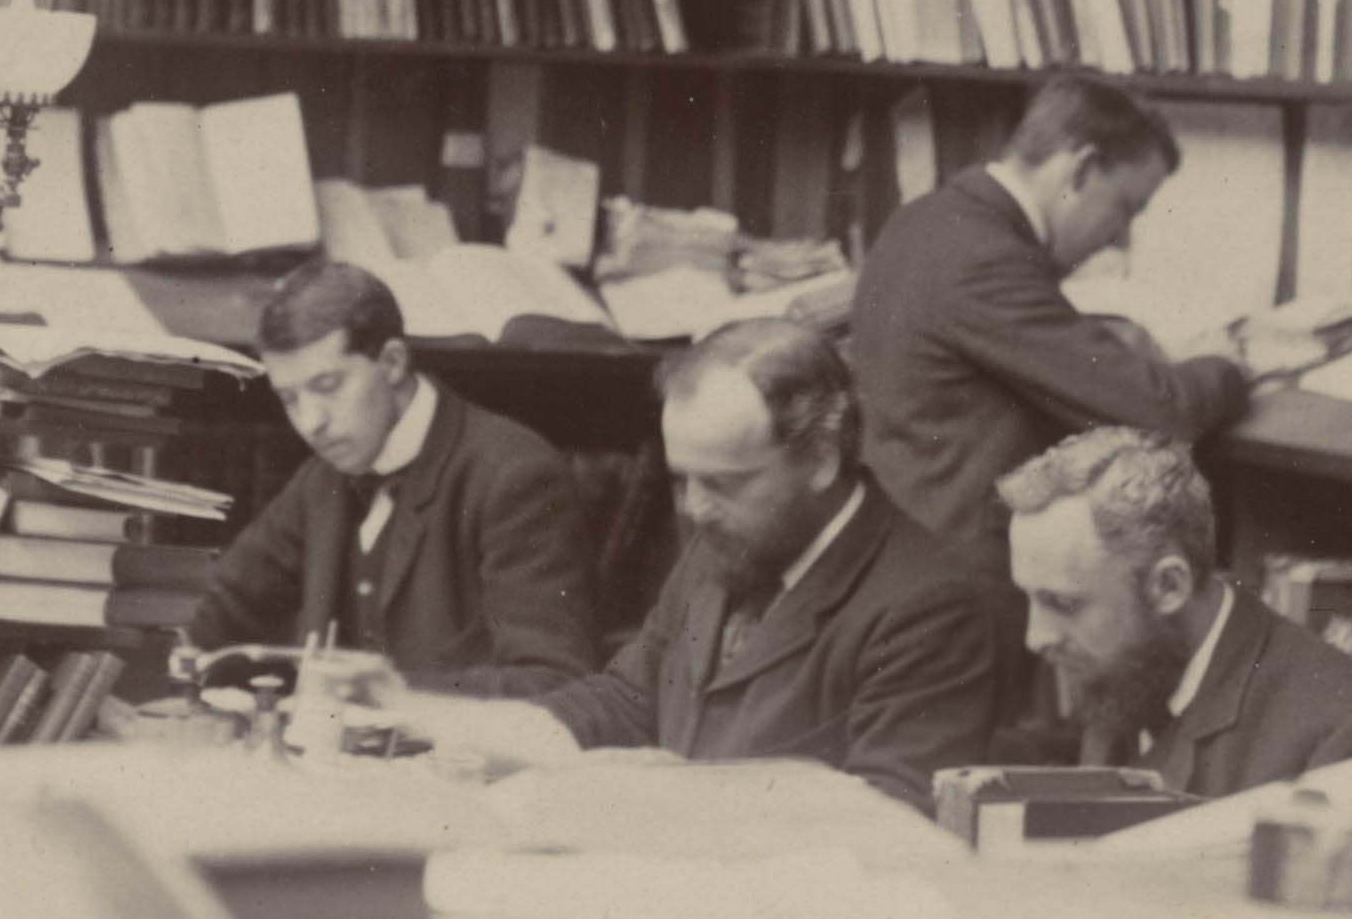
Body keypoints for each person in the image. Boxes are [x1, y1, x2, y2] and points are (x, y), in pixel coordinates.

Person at [398, 318, 1023, 807]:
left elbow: (887, 819)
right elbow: (627, 696)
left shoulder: (933, 605)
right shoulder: (729, 541)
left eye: (725, 483)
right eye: (681, 480)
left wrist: (663, 793)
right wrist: (473, 738)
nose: (694, 509)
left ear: (822, 458)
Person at [848, 71, 1254, 543]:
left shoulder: (928, 217)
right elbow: (1164, 412)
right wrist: (1226, 364)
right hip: (967, 560)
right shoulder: (986, 259)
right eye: (1125, 208)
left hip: (912, 529)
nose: (1119, 238)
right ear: (1080, 169)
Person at [187, 259, 597, 697]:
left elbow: (553, 681)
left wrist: (389, 694)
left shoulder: (514, 474)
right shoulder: (322, 479)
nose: (310, 422)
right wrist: (184, 653)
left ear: (392, 362)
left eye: (327, 386)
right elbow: (221, 607)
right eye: (289, 398)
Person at [998, 426, 1352, 798]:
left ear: (1170, 586)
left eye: (1063, 604)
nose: (1036, 638)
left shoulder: (1350, 740)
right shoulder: (1130, 667)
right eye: (1028, 598)